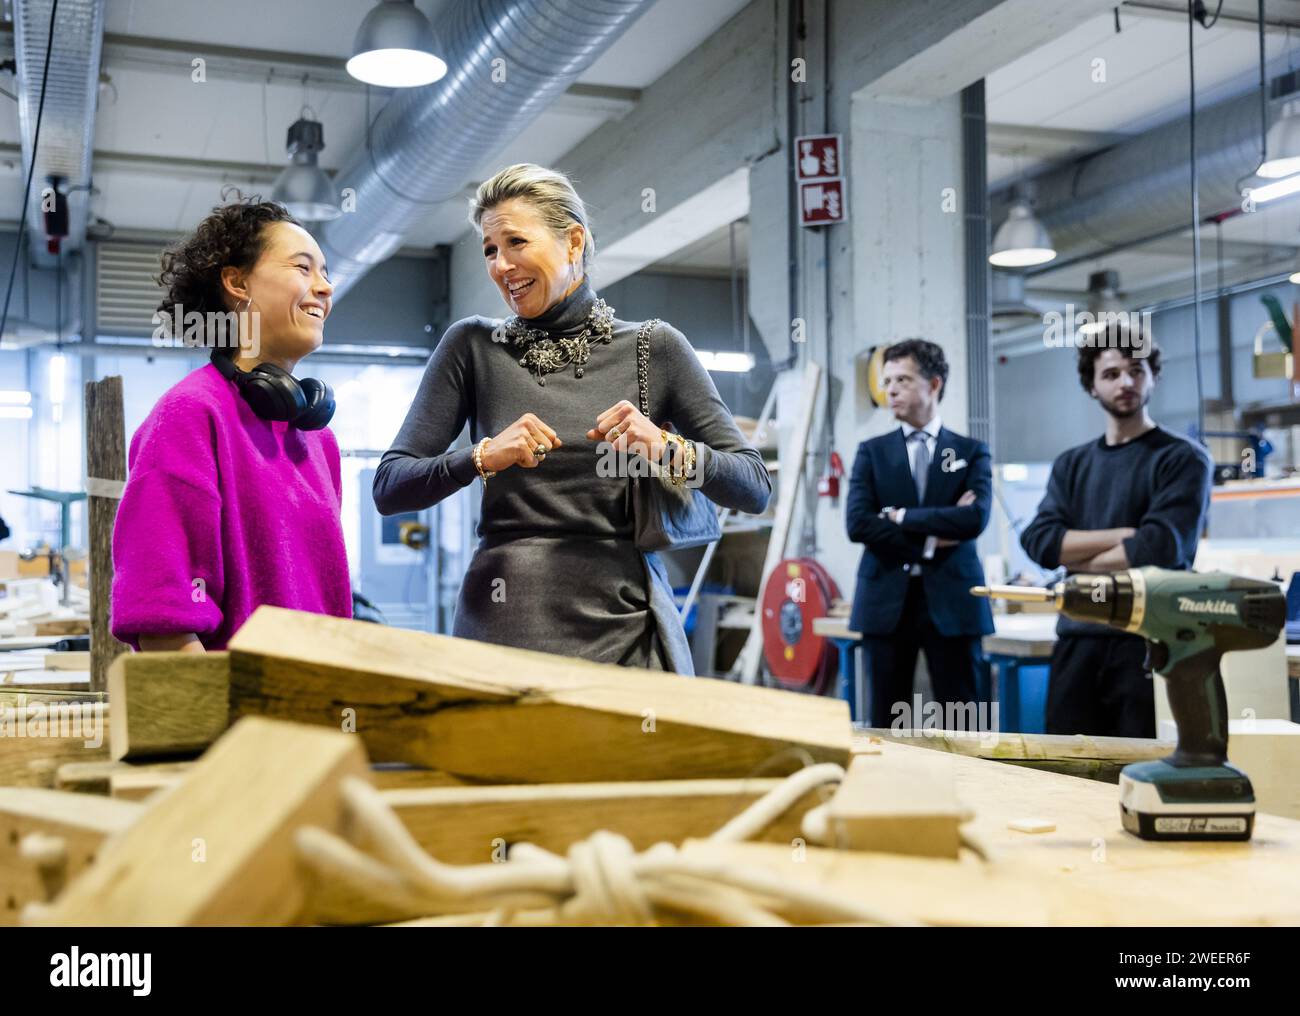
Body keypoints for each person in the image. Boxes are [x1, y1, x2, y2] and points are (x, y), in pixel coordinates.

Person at [373, 163, 770, 673]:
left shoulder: (655, 347)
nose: (500, 265)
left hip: (625, 632)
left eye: (516, 242)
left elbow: (754, 487)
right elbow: (389, 488)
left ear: (573, 241)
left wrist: (668, 449)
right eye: (490, 250)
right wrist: (479, 457)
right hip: (502, 626)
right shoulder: (471, 346)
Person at [110, 197, 351, 652]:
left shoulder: (317, 438)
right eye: (303, 268)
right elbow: (165, 624)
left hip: (315, 706)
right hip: (238, 717)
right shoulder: (189, 416)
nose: (324, 288)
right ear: (237, 282)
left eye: (326, 274)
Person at [1020, 333, 1212, 737]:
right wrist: (1124, 536)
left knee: (1137, 767)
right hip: (1076, 641)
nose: (1125, 382)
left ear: (1152, 377)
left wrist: (1072, 557)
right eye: (1110, 374)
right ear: (1092, 385)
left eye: (1136, 371)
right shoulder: (1071, 464)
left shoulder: (1183, 458)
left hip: (1144, 642)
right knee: (1065, 770)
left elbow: (1158, 547)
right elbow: (1039, 542)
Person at [846, 339, 994, 729]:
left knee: (966, 720)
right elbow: (858, 523)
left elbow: (974, 519)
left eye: (903, 380)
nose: (890, 389)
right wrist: (931, 535)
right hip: (886, 602)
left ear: (934, 384)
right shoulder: (871, 453)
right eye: (887, 380)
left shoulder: (971, 451)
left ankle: (969, 788)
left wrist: (901, 517)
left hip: (953, 600)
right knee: (885, 721)